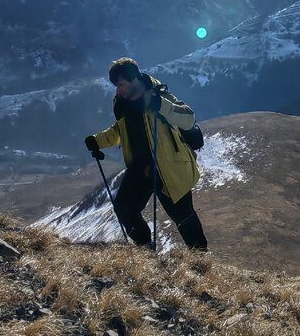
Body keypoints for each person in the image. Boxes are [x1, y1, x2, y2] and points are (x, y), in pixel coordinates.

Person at [85, 57, 208, 250]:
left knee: (183, 216)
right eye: (116, 86)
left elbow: (189, 119)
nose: (118, 90)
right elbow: (119, 130)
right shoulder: (122, 103)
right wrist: (97, 141)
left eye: (121, 85)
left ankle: (201, 258)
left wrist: (162, 106)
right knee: (124, 210)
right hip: (140, 168)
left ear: (134, 79)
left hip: (168, 167)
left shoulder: (158, 95)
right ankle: (146, 249)